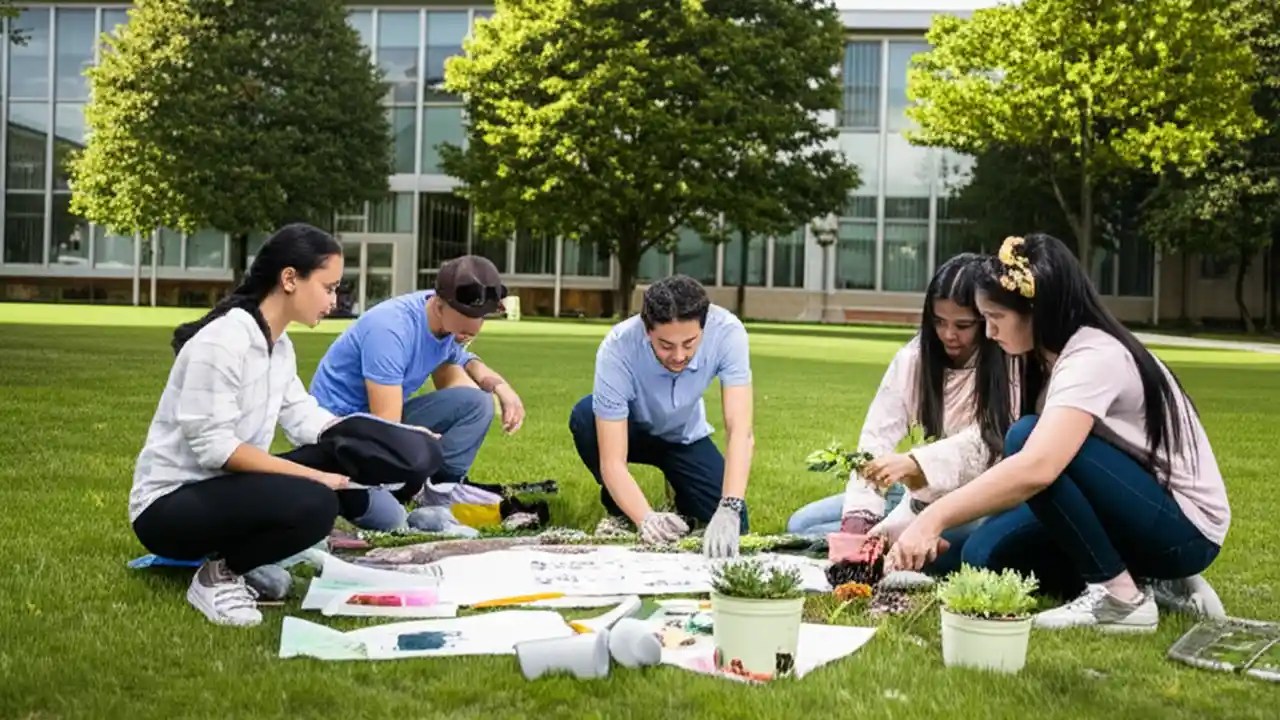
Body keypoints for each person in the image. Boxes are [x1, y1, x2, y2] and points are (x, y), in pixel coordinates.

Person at [889, 234, 1230, 631]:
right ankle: (1141, 575)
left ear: (1036, 310)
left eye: (995, 319)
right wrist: (917, 527)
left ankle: (1120, 597)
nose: (989, 333)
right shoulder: (1045, 356)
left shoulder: (1094, 356)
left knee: (1027, 438)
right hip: (1121, 508)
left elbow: (1038, 468)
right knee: (981, 555)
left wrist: (933, 520)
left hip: (1183, 530)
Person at [129, 223, 442, 627]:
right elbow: (216, 449)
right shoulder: (222, 342)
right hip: (169, 506)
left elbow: (305, 418)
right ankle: (218, 576)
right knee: (316, 502)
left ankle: (241, 559)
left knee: (354, 454)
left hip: (222, 489)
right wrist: (315, 476)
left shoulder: (279, 346)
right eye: (329, 287)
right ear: (290, 279)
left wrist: (390, 439)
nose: (335, 300)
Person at [786, 254, 1017, 575]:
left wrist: (915, 463)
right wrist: (859, 520)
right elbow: (876, 439)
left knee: (943, 550)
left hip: (977, 501)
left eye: (963, 325)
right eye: (939, 322)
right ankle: (890, 533)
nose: (949, 335)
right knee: (802, 526)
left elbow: (991, 443)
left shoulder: (1007, 360)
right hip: (919, 491)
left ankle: (904, 540)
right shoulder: (915, 358)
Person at [309, 255, 525, 531]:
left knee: (477, 403)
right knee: (391, 514)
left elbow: (460, 358)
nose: (470, 331)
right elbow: (385, 424)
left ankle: (440, 489)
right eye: (464, 325)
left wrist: (500, 388)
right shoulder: (391, 330)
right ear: (439, 305)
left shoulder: (442, 320)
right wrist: (420, 443)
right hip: (341, 432)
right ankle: (399, 488)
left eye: (479, 320)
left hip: (379, 420)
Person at [568, 275, 753, 558]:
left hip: (684, 436)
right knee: (585, 415)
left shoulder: (728, 332)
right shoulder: (618, 347)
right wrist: (645, 518)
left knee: (737, 526)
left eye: (690, 343)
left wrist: (730, 505)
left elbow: (740, 431)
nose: (679, 355)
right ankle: (622, 513)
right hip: (632, 430)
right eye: (666, 345)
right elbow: (612, 461)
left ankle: (684, 508)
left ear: (704, 327)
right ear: (647, 329)